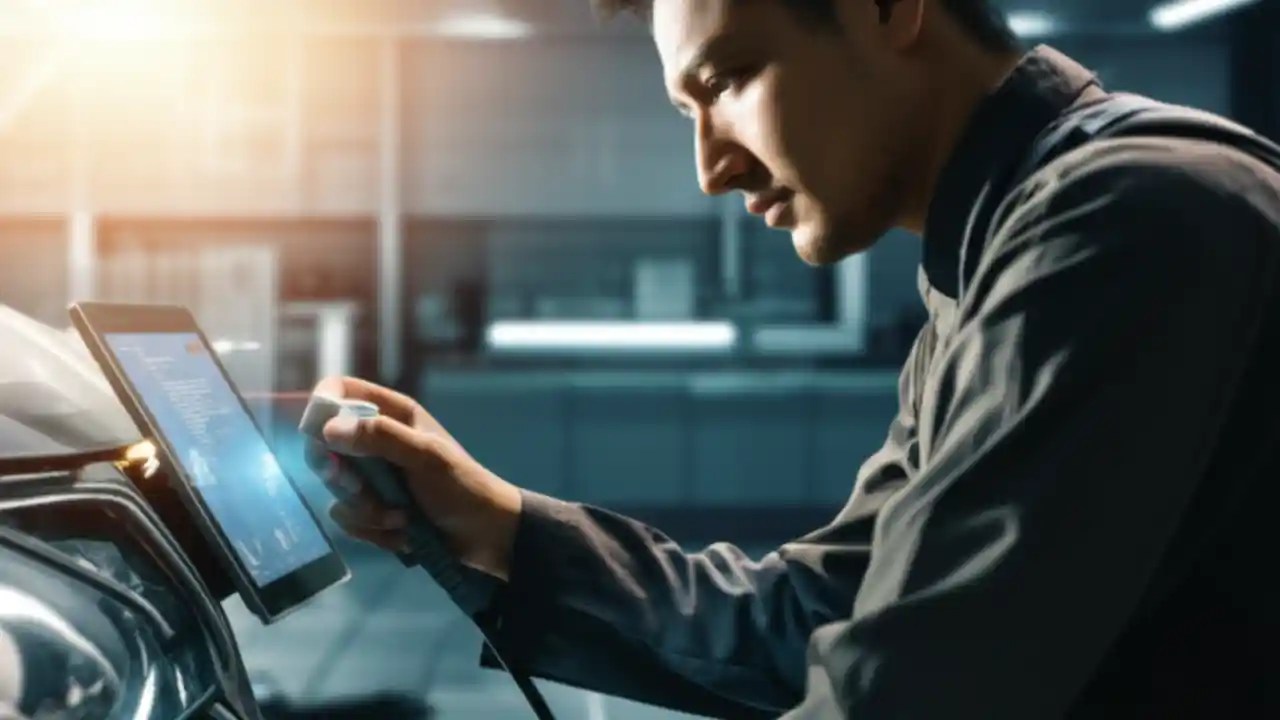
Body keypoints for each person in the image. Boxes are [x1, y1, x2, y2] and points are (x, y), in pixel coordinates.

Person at [305, 0, 1280, 717]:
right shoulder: (1002, 242)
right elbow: (823, 617)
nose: (709, 166)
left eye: (724, 82)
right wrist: (499, 524)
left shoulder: (1120, 216)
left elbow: (907, 694)